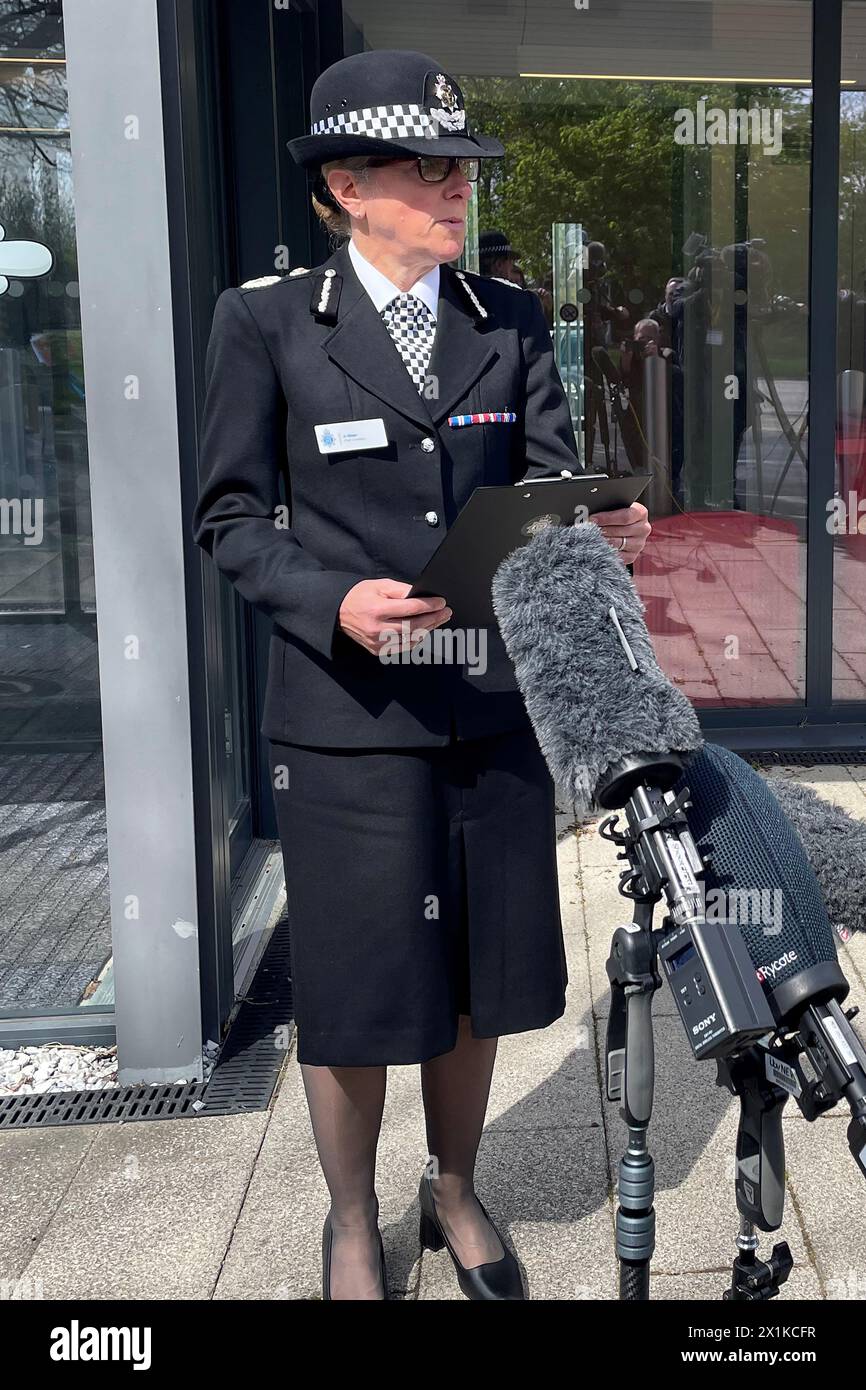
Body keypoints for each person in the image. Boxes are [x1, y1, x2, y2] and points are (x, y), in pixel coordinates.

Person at [192, 48, 650, 1302]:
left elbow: (540, 489)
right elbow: (229, 521)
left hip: (486, 706)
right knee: (355, 987)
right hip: (348, 718)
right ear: (345, 183)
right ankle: (350, 1219)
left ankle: (452, 1190)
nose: (459, 189)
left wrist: (589, 526)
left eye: (464, 168)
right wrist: (332, 598)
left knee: (477, 981)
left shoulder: (506, 321)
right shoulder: (267, 321)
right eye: (430, 168)